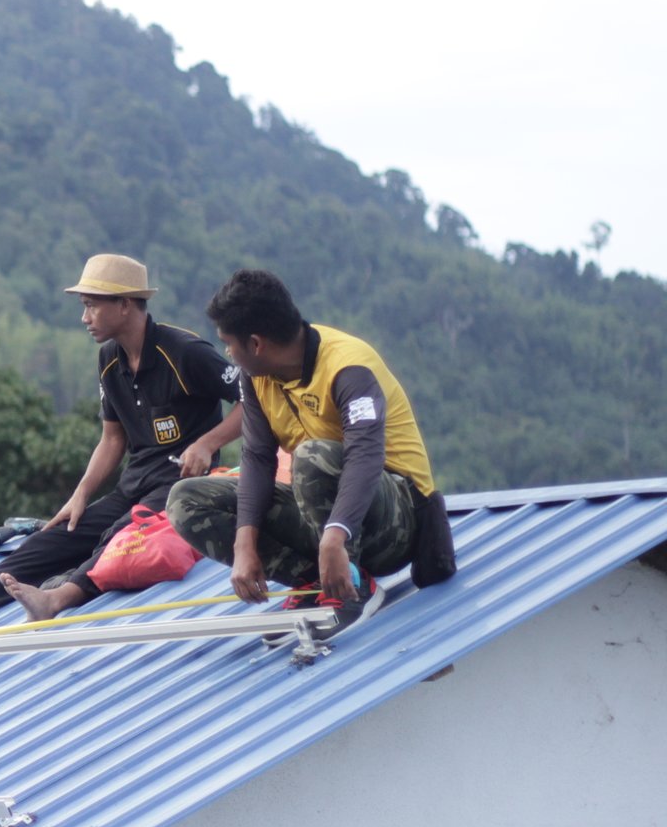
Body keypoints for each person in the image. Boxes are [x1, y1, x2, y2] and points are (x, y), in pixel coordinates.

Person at [0, 254, 242, 636]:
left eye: (92, 305)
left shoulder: (185, 352)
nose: (85, 317)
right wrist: (79, 496)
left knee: (121, 540)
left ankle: (55, 600)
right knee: (53, 540)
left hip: (180, 489)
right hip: (134, 485)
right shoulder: (109, 359)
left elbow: (254, 397)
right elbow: (112, 439)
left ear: (125, 304)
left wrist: (208, 443)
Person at [166, 269, 456, 640]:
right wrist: (244, 544)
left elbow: (366, 455)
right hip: (324, 523)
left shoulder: (348, 367)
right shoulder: (255, 377)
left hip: (393, 518)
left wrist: (336, 535)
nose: (227, 353)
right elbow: (257, 458)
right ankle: (315, 582)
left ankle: (351, 587)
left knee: (310, 456)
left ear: (256, 344)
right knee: (186, 500)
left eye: (228, 343)